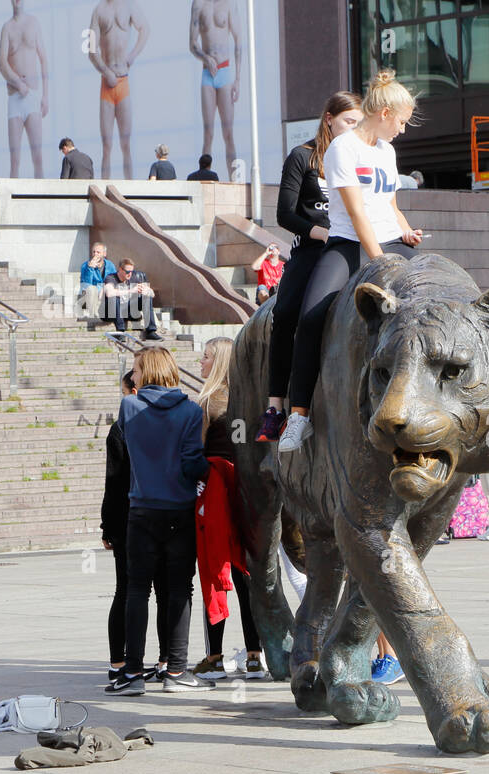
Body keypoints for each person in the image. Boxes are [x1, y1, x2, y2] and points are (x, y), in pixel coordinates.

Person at [275, 72, 423, 453]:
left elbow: (389, 205)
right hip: (348, 242)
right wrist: (381, 262)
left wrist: (406, 233)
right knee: (309, 317)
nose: (403, 130)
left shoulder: (387, 152)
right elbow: (357, 214)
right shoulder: (343, 147)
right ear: (385, 113)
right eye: (402, 122)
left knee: (431, 299)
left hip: (388, 238)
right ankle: (299, 415)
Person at [254, 90, 362, 442]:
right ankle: (276, 407)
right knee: (284, 315)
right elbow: (285, 213)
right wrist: (319, 232)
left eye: (359, 123)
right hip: (312, 249)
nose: (354, 129)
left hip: (350, 249)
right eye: (349, 121)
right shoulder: (302, 157)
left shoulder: (361, 158)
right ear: (329, 118)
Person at [106, 346, 214, 695]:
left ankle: (133, 673)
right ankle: (176, 672)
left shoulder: (129, 406)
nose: (133, 376)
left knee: (137, 590)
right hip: (179, 510)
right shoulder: (191, 410)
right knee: (180, 589)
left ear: (147, 371)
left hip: (140, 510)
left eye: (136, 369)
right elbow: (192, 462)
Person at [192, 338, 269, 680]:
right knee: (246, 574)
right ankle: (255, 655)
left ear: (219, 361)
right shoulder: (249, 402)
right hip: (247, 491)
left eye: (206, 357)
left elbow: (197, 453)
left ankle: (215, 657)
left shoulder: (207, 403)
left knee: (214, 570)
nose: (201, 363)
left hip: (216, 494)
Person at [102, 371, 169, 683]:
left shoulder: (120, 429)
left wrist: (108, 525)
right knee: (161, 591)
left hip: (130, 519)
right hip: (157, 515)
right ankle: (166, 660)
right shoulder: (160, 423)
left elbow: (113, 482)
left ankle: (121, 663)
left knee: (128, 590)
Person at [88, 0, 149, 179]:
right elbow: (92, 50)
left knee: (126, 144)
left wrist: (132, 55)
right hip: (107, 84)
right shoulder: (99, 10)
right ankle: (104, 189)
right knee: (106, 146)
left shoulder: (129, 6)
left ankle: (130, 188)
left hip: (123, 82)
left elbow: (145, 29)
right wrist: (106, 71)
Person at [190, 0, 241, 180]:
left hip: (225, 72)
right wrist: (205, 57)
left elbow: (238, 40)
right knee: (208, 133)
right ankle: (204, 179)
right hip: (208, 74)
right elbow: (193, 43)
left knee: (228, 133)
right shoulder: (198, 4)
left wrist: (238, 80)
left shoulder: (228, 4)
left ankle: (234, 181)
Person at [0, 0, 49, 178]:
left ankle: (42, 199)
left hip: (33, 97)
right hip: (14, 99)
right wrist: (17, 83)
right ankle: (12, 202)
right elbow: (2, 64)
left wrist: (45, 96)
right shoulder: (7, 28)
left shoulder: (33, 23)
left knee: (38, 157)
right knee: (15, 160)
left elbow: (43, 59)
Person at [104, 258, 159, 339]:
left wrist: (146, 291)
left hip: (129, 310)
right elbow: (109, 293)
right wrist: (131, 290)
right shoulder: (111, 277)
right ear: (120, 270)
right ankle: (120, 332)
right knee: (113, 298)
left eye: (131, 271)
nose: (129, 274)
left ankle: (151, 331)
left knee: (146, 297)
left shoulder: (134, 277)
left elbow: (152, 294)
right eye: (127, 272)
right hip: (111, 312)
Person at [78, 242, 114, 323]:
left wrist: (105, 288)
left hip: (103, 293)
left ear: (104, 254)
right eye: (94, 252)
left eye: (98, 252)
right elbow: (86, 285)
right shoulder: (85, 266)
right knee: (92, 288)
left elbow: (114, 280)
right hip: (88, 294)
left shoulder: (110, 265)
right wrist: (90, 269)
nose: (95, 254)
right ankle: (93, 315)